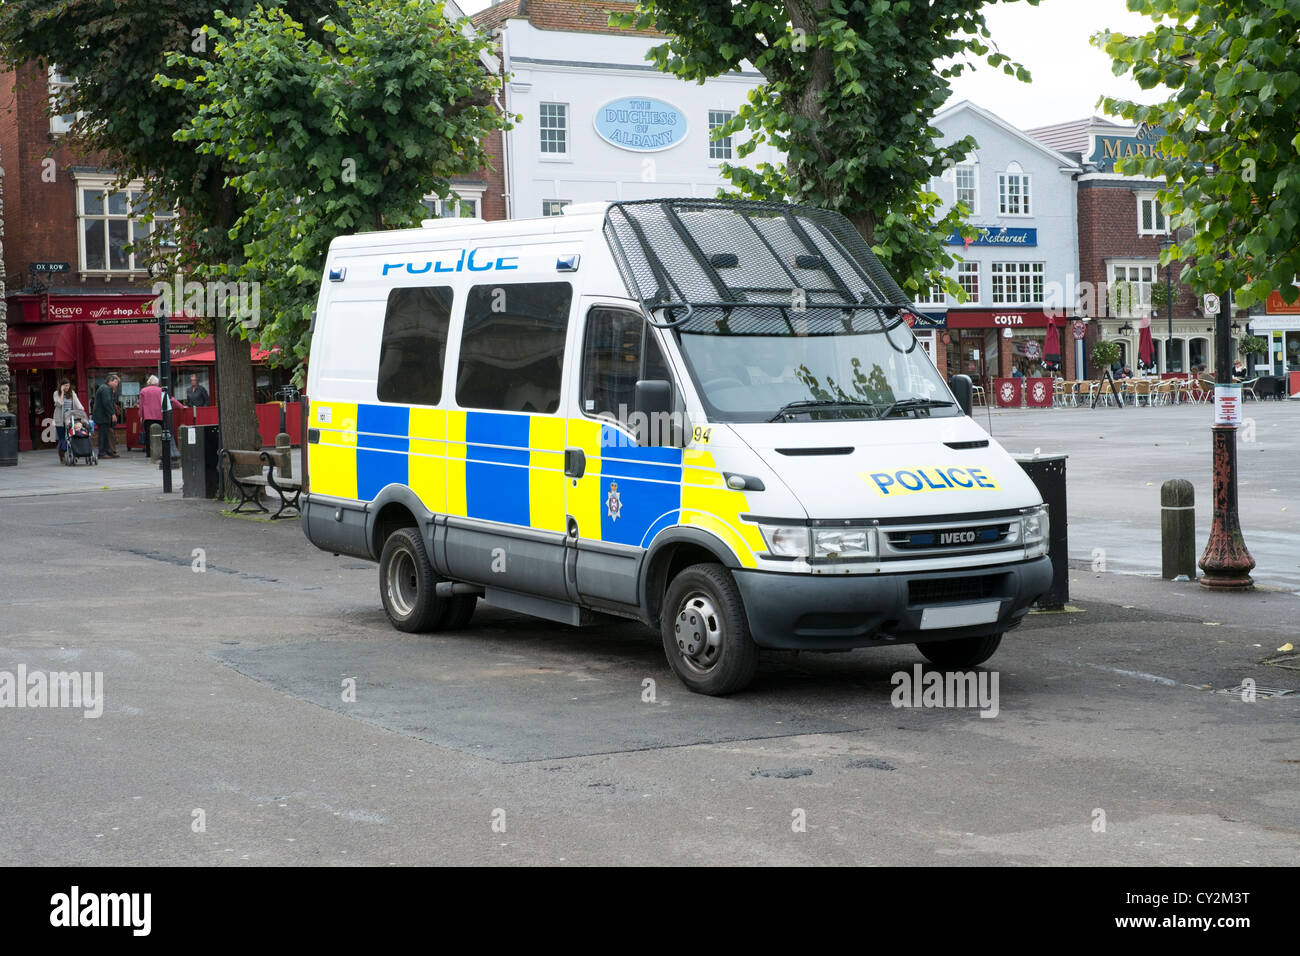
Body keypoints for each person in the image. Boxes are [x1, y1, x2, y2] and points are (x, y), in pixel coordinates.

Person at [52, 378, 86, 464]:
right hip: (60, 419)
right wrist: (62, 392)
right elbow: (59, 403)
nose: (67, 387)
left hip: (70, 419)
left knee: (72, 436)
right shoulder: (56, 393)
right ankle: (62, 456)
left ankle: (72, 453)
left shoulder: (72, 393)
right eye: (65, 385)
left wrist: (81, 409)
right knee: (62, 438)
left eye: (68, 385)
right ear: (61, 386)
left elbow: (77, 403)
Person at [91, 374, 120, 459]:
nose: (116, 384)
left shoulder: (106, 388)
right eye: (115, 382)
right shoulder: (105, 389)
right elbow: (107, 402)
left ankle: (108, 451)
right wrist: (112, 413)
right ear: (109, 381)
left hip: (104, 416)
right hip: (102, 416)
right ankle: (102, 453)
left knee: (106, 434)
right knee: (103, 434)